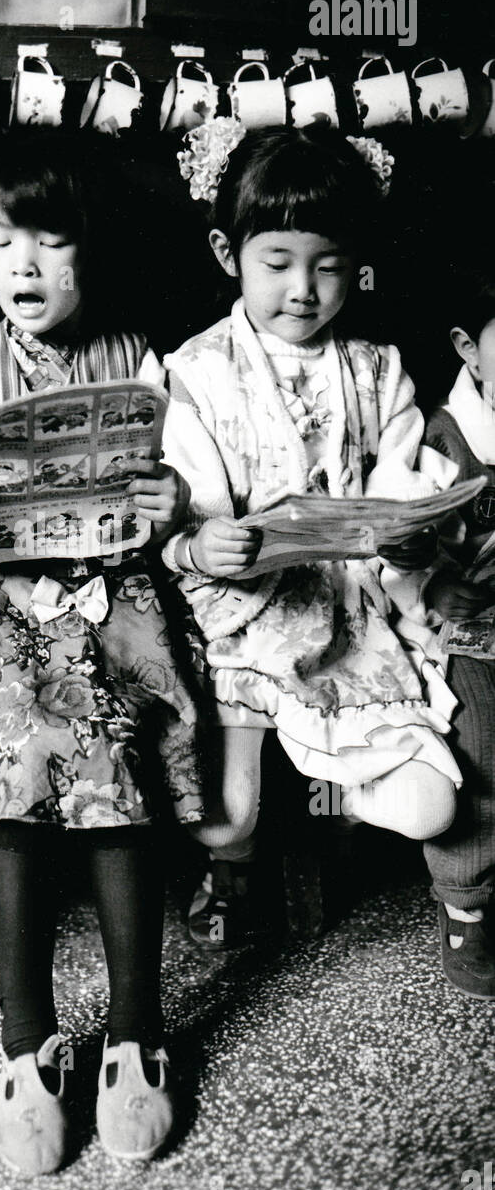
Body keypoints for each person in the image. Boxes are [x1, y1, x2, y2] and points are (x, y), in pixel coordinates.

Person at [0, 135, 204, 1174]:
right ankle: (24, 1049)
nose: (21, 264)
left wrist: (168, 505)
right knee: (13, 779)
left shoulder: (135, 358)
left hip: (110, 600)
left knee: (116, 777)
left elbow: (169, 492)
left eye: (49, 239)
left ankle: (134, 1033)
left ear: (91, 248)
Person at [163, 121, 460, 951]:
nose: (304, 290)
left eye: (328, 267)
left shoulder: (377, 365)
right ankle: (236, 866)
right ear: (229, 254)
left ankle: (336, 798)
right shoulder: (196, 369)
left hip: (352, 611)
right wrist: (202, 544)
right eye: (278, 263)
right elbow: (182, 509)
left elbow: (401, 479)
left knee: (431, 804)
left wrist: (407, 533)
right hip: (246, 614)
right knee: (228, 818)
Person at [419, 260, 495, 998]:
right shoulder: (448, 437)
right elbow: (418, 549)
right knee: (481, 752)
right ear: (469, 349)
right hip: (473, 629)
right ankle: (466, 905)